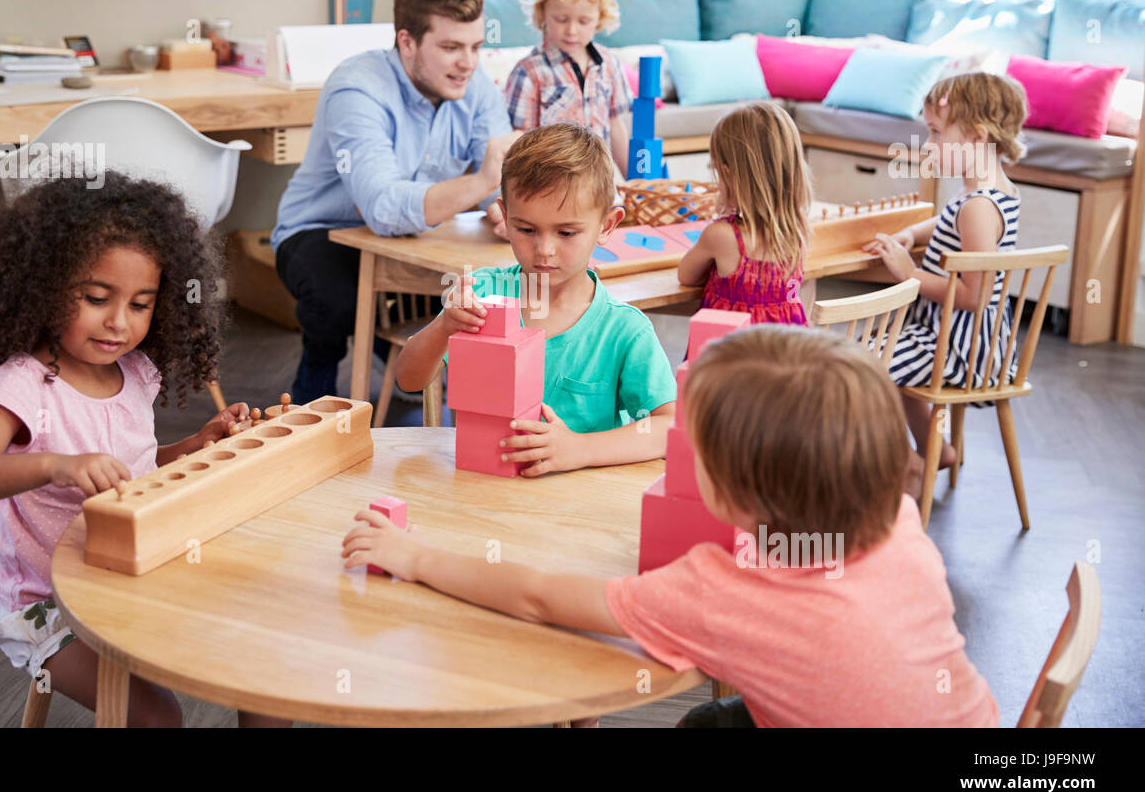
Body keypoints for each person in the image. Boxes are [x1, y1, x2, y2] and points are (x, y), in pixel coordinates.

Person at [342, 326, 1000, 727]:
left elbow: (540, 596)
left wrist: (415, 556)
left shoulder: (724, 591)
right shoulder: (897, 524)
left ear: (729, 486)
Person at [0, 174, 285, 727]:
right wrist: (53, 464)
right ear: (44, 286)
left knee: (268, 666)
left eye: (141, 304)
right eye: (97, 298)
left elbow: (136, 472)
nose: (119, 322)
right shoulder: (24, 382)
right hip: (54, 609)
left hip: (141, 568)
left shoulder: (135, 372)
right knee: (157, 720)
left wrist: (196, 446)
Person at [271, 0, 522, 403]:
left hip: (419, 230)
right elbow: (384, 209)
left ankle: (420, 366)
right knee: (338, 297)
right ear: (406, 42)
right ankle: (314, 386)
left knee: (492, 275)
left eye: (476, 47)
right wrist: (484, 181)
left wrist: (504, 209)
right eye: (450, 47)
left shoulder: (475, 86)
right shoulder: (357, 87)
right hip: (319, 229)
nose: (468, 63)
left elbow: (496, 179)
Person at [394, 122, 676, 476]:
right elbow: (408, 380)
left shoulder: (624, 330)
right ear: (505, 216)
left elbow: (668, 426)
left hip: (575, 505)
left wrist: (581, 448)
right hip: (480, 489)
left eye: (566, 232)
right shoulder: (482, 296)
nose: (544, 250)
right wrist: (444, 328)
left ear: (607, 226)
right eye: (526, 230)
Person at [866, 72, 1025, 486]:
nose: (930, 146)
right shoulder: (985, 192)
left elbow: (976, 295)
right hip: (954, 338)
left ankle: (910, 461)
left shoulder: (977, 207)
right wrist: (912, 234)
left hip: (958, 348)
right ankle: (935, 449)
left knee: (860, 366)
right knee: (872, 351)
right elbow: (946, 221)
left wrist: (909, 273)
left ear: (975, 137)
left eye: (936, 134)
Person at [677, 101, 812, 327]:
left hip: (730, 358)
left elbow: (686, 276)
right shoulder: (798, 234)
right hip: (786, 358)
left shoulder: (721, 235)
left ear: (729, 175)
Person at [501, 0, 633, 184]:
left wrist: (634, 182)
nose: (571, 30)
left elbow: (615, 127)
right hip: (548, 186)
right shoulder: (530, 72)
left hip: (599, 185)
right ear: (543, 14)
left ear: (599, 18)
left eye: (583, 21)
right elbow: (517, 144)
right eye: (561, 19)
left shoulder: (609, 64)